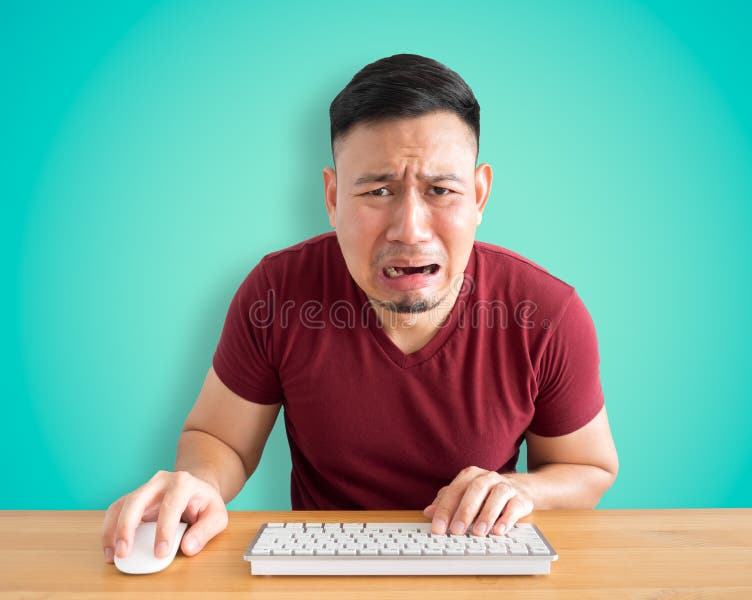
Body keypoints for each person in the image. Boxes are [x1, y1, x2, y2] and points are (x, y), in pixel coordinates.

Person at [102, 53, 619, 564]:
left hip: (477, 565)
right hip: (319, 572)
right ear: (331, 197)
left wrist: (528, 492)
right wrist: (200, 483)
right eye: (378, 190)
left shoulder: (547, 313)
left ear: (480, 195)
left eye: (441, 190)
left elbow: (587, 468)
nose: (410, 229)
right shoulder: (275, 293)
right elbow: (220, 439)